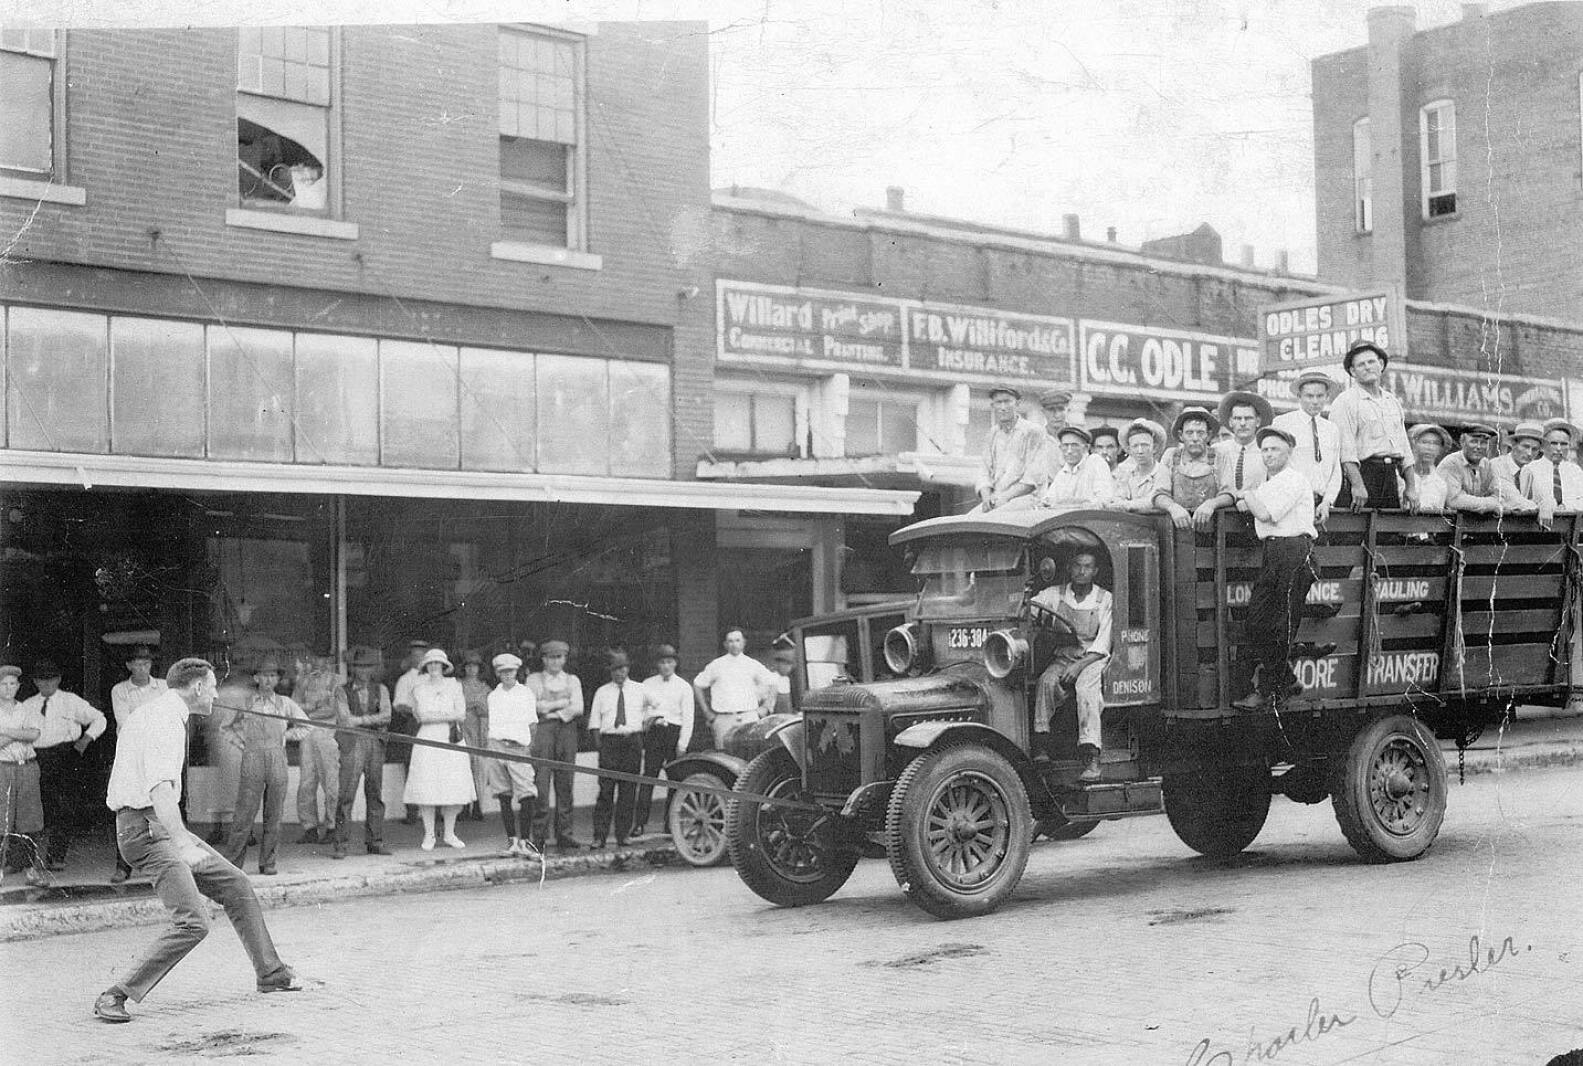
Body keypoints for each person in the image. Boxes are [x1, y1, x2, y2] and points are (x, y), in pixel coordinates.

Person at [92, 658, 300, 1024]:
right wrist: (184, 844)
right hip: (145, 830)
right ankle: (115, 994)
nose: (217, 695)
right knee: (193, 922)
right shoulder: (164, 720)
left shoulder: (161, 712)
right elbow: (160, 791)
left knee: (236, 885)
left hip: (154, 825)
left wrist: (180, 838)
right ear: (198, 688)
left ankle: (271, 974)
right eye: (213, 687)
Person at [1231, 427, 1318, 709]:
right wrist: (1249, 499)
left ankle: (1269, 690)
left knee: (1281, 625)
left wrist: (1247, 495)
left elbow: (1266, 513)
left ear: (1289, 452)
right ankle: (1288, 679)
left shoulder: (1294, 479)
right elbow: (1252, 507)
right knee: (1256, 622)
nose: (1269, 454)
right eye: (1265, 450)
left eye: (1275, 449)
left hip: (1294, 551)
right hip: (1273, 552)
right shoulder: (1268, 485)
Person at [1029, 551, 1112, 782]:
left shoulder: (1104, 599)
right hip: (1065, 655)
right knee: (1046, 682)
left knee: (1086, 689)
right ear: (1069, 568)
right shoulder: (1055, 594)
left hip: (1093, 658)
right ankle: (1042, 746)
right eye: (1077, 566)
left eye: (1087, 567)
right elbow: (1030, 608)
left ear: (1095, 571)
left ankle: (1091, 755)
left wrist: (1079, 666)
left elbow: (1103, 643)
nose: (1081, 571)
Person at [223, 657, 309, 875]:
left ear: (278, 679)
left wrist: (286, 736)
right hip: (252, 759)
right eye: (264, 676)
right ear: (256, 678)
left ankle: (268, 863)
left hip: (277, 759)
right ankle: (233, 864)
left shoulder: (285, 703)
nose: (269, 680)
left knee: (274, 814)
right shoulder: (246, 702)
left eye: (273, 676)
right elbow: (226, 727)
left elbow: (306, 725)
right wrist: (242, 744)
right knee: (244, 814)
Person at [23, 660, 107, 873]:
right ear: (35, 682)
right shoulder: (28, 705)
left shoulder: (70, 701)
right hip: (37, 756)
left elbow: (100, 719)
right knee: (36, 807)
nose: (47, 684)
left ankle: (56, 856)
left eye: (51, 679)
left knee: (65, 807)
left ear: (58, 680)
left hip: (65, 756)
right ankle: (24, 858)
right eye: (42, 680)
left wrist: (85, 740)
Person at [402, 648, 474, 851]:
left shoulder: (454, 685)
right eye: (430, 663)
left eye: (437, 663)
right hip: (427, 739)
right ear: (425, 666)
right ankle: (429, 835)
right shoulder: (419, 688)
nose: (434, 666)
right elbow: (422, 716)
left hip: (451, 739)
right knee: (428, 786)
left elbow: (461, 714)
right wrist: (447, 714)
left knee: (452, 786)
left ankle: (450, 833)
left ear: (444, 666)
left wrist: (437, 714)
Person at [1329, 340, 1411, 511]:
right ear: (1352, 371)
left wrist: (1411, 487)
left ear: (1381, 364)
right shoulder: (1345, 402)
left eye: (1371, 362)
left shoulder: (1392, 401)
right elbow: (1345, 450)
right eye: (1361, 364)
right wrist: (1357, 485)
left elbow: (1404, 448)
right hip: (1362, 476)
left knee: (1388, 527)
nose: (1367, 367)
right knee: (1356, 527)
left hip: (1390, 477)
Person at [109, 645, 167, 881]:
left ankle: (168, 864)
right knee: (129, 807)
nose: (142, 668)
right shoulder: (120, 690)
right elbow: (125, 723)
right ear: (129, 666)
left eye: (146, 663)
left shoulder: (163, 687)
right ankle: (123, 867)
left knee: (164, 805)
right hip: (132, 756)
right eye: (137, 664)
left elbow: (170, 719)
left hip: (159, 754)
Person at [330, 645, 393, 860]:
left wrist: (360, 720)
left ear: (373, 669)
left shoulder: (381, 689)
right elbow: (345, 720)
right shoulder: (341, 690)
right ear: (353, 668)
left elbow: (387, 716)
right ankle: (341, 844)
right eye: (360, 667)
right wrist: (371, 721)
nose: (364, 671)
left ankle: (375, 841)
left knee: (375, 792)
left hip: (375, 743)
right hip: (352, 743)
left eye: (368, 667)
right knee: (346, 794)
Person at [526, 639, 585, 852]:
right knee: (541, 783)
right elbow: (533, 706)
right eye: (551, 658)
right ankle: (539, 836)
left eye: (559, 657)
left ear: (565, 659)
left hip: (567, 732)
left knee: (565, 783)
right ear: (543, 659)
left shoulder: (572, 680)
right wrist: (561, 703)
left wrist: (551, 710)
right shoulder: (534, 679)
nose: (555, 662)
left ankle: (565, 834)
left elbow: (578, 707)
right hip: (543, 733)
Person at [589, 651, 650, 849]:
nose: (619, 673)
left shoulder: (640, 689)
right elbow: (594, 722)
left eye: (622, 668)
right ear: (610, 671)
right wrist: (601, 746)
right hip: (610, 743)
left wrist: (647, 722)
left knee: (628, 791)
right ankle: (600, 836)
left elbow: (657, 707)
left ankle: (623, 835)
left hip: (631, 742)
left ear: (628, 669)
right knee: (606, 791)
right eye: (615, 669)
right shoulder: (602, 692)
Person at [632, 643, 695, 838]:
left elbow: (688, 717)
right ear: (657, 664)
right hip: (655, 733)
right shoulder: (647, 684)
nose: (666, 666)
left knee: (674, 780)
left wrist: (683, 744)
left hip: (674, 734)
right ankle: (640, 823)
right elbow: (640, 710)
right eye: (662, 662)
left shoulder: (684, 686)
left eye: (669, 662)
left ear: (675, 663)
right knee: (648, 778)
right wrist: (649, 721)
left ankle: (670, 823)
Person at [484, 652, 537, 858]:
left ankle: (525, 841)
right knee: (503, 795)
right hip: (496, 746)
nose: (507, 675)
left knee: (526, 793)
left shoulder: (525, 693)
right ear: (498, 673)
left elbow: (532, 724)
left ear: (516, 671)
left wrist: (527, 747)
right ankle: (512, 841)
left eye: (511, 671)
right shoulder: (493, 696)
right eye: (503, 671)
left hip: (518, 747)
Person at [0, 664, 49, 887]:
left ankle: (30, 871)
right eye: (3, 684)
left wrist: (7, 732)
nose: (8, 688)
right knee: (2, 819)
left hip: (27, 767)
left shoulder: (26, 708)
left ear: (18, 686)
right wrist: (21, 733)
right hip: (3, 768)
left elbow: (34, 734)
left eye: (12, 684)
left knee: (30, 820)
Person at [1272, 371, 1343, 524]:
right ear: (1299, 396)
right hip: (1291, 504)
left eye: (1320, 396)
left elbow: (1336, 471)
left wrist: (1327, 502)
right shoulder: (1283, 423)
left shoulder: (1332, 429)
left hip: (1321, 505)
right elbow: (1274, 467)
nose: (1315, 401)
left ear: (1327, 396)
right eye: (1309, 396)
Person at [694, 628, 776, 748]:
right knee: (723, 754)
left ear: (743, 643)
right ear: (725, 644)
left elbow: (773, 682)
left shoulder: (752, 664)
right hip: (724, 719)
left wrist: (766, 707)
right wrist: (707, 712)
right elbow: (697, 684)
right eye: (730, 641)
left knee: (749, 753)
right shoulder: (716, 665)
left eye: (737, 640)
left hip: (748, 717)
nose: (734, 644)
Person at [973, 384, 1045, 512]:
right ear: (993, 406)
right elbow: (983, 471)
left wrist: (1005, 497)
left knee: (995, 518)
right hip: (997, 498)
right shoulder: (992, 434)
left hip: (1026, 499)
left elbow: (1033, 478)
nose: (1003, 407)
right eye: (998, 402)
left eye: (1007, 402)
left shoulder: (1032, 431)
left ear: (1017, 404)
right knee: (967, 520)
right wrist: (986, 497)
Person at [292, 653, 340, 845]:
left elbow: (332, 709)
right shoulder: (303, 681)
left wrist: (307, 711)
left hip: (328, 732)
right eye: (314, 657)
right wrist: (314, 706)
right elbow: (293, 707)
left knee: (331, 781)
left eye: (322, 657)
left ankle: (332, 826)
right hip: (307, 732)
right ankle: (309, 827)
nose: (317, 662)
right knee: (306, 782)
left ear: (329, 660)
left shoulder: (336, 681)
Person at [1439, 424, 1536, 515]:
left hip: (1472, 523)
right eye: (1473, 442)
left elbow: (1499, 495)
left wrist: (1491, 502)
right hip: (1445, 523)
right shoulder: (1451, 463)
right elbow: (1454, 501)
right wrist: (1491, 504)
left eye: (1483, 443)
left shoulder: (1486, 464)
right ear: (1462, 442)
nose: (1478, 447)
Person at [1155, 407, 1224, 530]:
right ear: (1181, 435)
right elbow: (1159, 494)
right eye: (1189, 433)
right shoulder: (1171, 455)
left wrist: (1211, 504)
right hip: (1175, 529)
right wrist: (1173, 508)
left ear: (1208, 435)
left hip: (1213, 530)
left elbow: (1229, 493)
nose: (1195, 438)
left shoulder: (1219, 455)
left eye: (1200, 433)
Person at [205, 668, 251, 845]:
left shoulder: (219, 693)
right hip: (234, 743)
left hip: (219, 742)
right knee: (237, 788)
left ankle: (217, 829)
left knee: (219, 789)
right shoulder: (242, 694)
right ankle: (239, 832)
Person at [390, 640, 428, 823]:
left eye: (422, 656)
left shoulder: (433, 678)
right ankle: (412, 812)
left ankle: (436, 811)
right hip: (413, 724)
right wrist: (415, 710)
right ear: (410, 658)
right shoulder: (405, 679)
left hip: (434, 725)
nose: (419, 659)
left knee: (433, 767)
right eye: (415, 656)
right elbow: (398, 705)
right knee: (412, 767)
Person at [1522, 419, 1583, 526]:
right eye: (1553, 443)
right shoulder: (1531, 469)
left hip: (1571, 526)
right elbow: (1522, 500)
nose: (1559, 448)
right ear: (1543, 446)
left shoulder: (1575, 471)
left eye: (1564, 444)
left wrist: (1566, 506)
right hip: (1537, 526)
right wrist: (1544, 505)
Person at [1212, 390, 1273, 496]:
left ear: (1258, 421)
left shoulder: (1266, 451)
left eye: (1248, 418)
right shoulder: (1218, 450)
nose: (1243, 423)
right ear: (1230, 422)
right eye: (1237, 418)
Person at [1040, 425, 1115, 508]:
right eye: (1065, 445)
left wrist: (1067, 504)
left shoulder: (1096, 462)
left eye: (1074, 445)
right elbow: (1049, 500)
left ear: (1086, 448)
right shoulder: (1062, 473)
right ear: (1060, 447)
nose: (1069, 451)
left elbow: (1104, 499)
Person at [458, 651, 492, 821]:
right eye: (469, 666)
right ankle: (464, 805)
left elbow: (490, 708)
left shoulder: (485, 688)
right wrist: (473, 704)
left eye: (475, 666)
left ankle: (478, 806)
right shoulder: (458, 686)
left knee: (479, 769)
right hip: (463, 729)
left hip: (480, 731)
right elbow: (456, 705)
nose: (472, 669)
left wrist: (479, 707)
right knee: (463, 767)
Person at [1108, 419, 1169, 513]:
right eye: (1135, 446)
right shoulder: (1127, 473)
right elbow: (1117, 497)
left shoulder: (1162, 472)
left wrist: (1126, 505)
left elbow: (1153, 502)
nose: (1140, 451)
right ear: (1129, 450)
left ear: (1154, 448)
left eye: (1144, 445)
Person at [1403, 424, 1454, 514]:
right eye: (1424, 442)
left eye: (1436, 443)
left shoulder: (1440, 484)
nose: (1430, 448)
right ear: (1412, 444)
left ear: (1440, 449)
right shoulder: (1399, 476)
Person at [1491, 421, 1544, 497]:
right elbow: (1512, 499)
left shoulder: (1527, 473)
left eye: (1535, 449)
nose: (1529, 453)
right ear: (1513, 444)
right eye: (1525, 446)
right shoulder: (1496, 466)